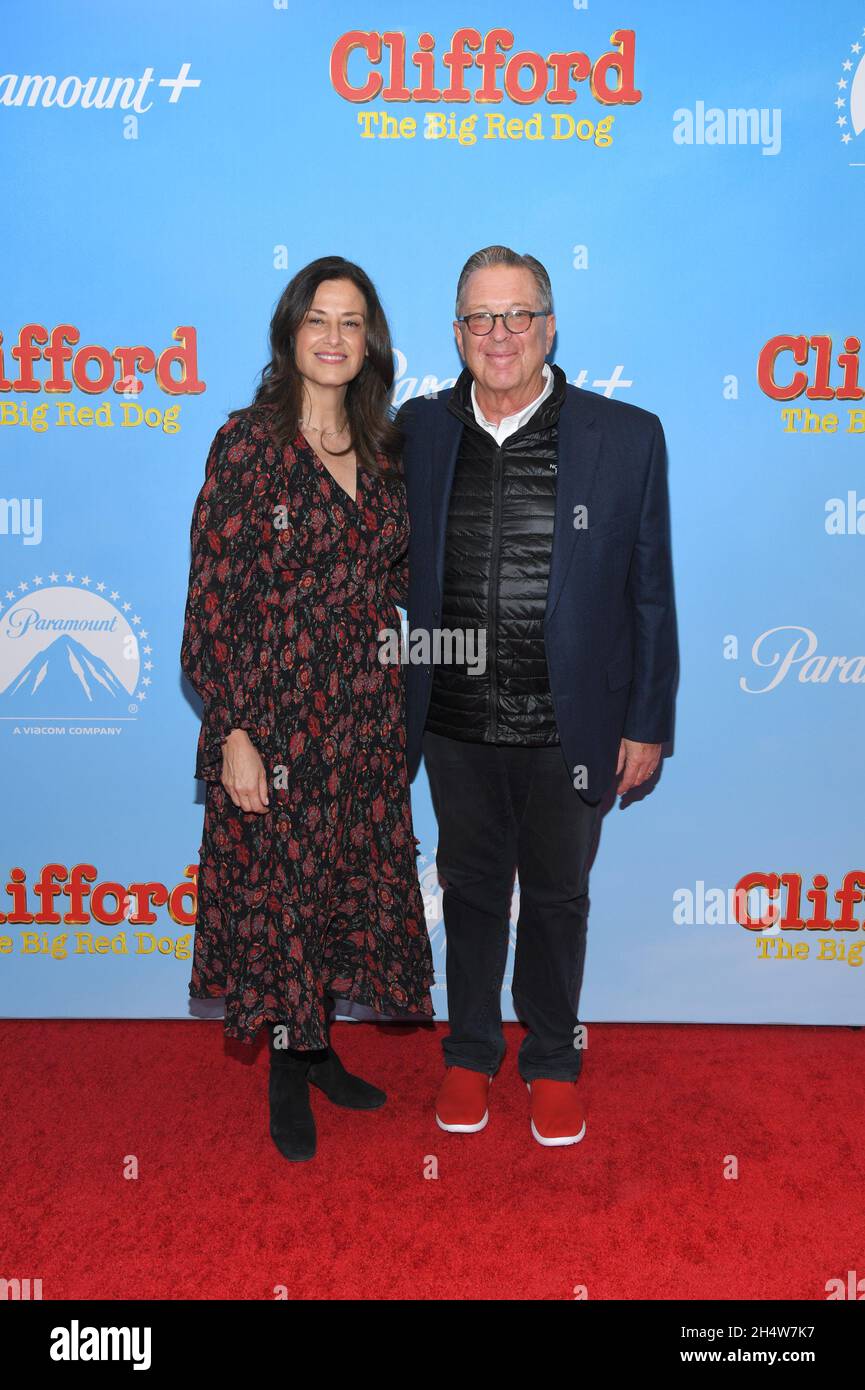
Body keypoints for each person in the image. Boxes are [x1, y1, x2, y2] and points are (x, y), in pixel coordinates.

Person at [395, 245, 678, 1147]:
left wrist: (647, 721)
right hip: (455, 720)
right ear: (457, 334)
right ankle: (471, 1052)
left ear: (550, 325)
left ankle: (552, 1058)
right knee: (470, 891)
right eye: (480, 318)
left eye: (517, 314)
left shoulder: (625, 436)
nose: (499, 335)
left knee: (558, 899)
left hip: (572, 724)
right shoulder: (419, 431)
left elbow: (650, 591)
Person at [181, 256, 434, 1162]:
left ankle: (320, 1048)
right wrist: (234, 733)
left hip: (365, 712)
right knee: (282, 894)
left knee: (337, 890)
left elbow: (407, 579)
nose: (334, 338)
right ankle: (288, 1072)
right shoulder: (247, 443)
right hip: (277, 713)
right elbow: (212, 595)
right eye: (318, 320)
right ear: (291, 333)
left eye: (352, 322)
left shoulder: (385, 450)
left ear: (371, 341)